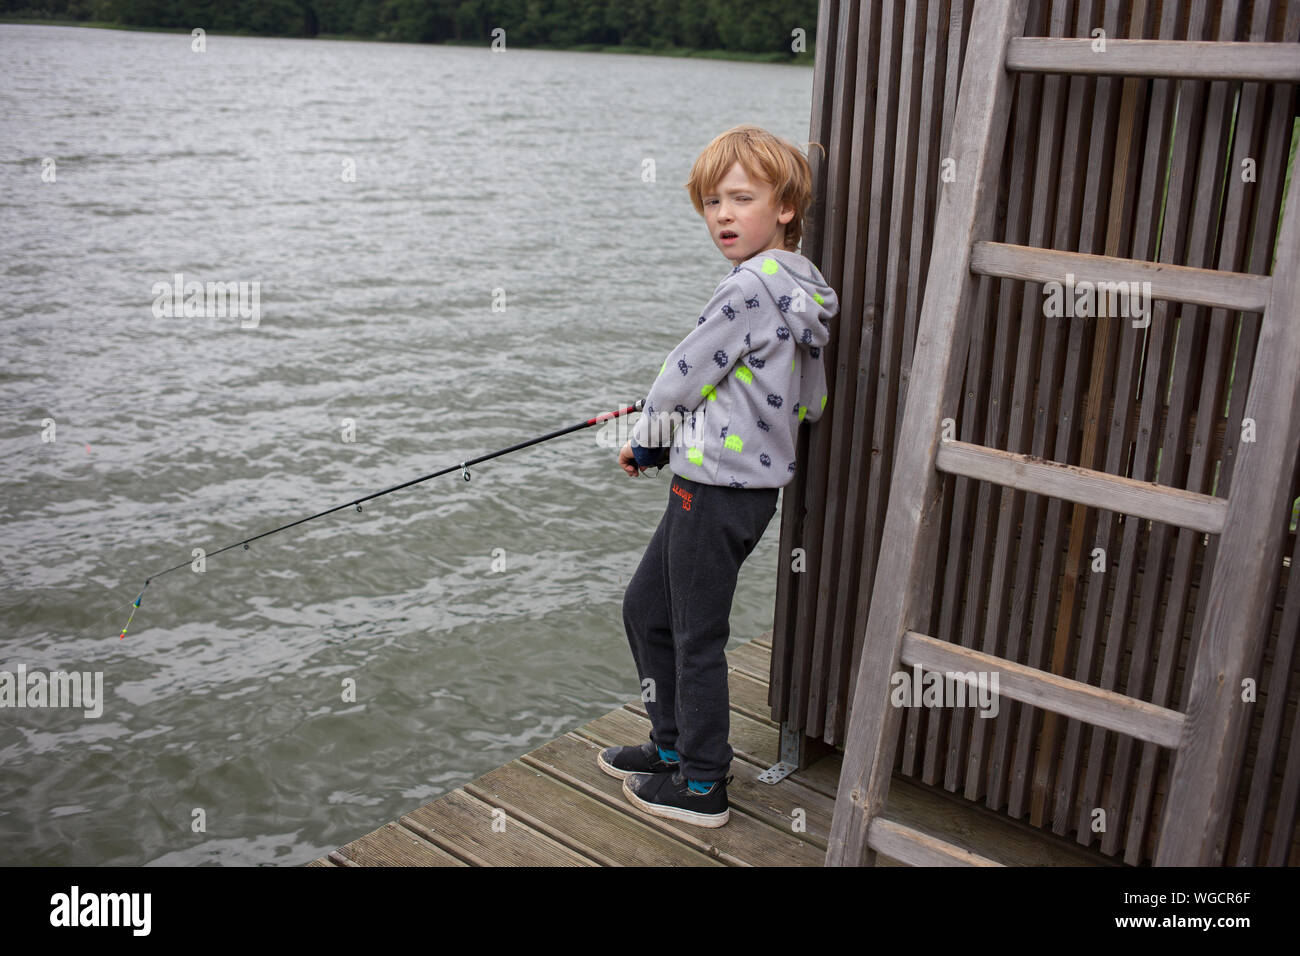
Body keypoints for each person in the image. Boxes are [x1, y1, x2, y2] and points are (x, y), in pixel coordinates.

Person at [601, 125, 840, 827]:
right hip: (735, 490)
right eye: (712, 203)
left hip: (713, 488)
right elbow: (813, 397)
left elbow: (682, 375)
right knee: (647, 610)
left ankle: (703, 784)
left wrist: (647, 443)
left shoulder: (747, 286)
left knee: (691, 633)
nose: (724, 216)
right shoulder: (802, 288)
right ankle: (672, 748)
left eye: (742, 198)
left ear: (786, 206)